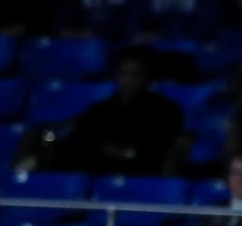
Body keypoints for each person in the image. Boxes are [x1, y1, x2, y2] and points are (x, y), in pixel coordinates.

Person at [58, 48, 183, 177]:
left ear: (147, 77)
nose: (129, 81)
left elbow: (161, 146)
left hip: (142, 172)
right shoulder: (99, 110)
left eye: (136, 75)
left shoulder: (165, 110)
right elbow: (85, 141)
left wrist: (129, 153)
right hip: (99, 170)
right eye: (124, 74)